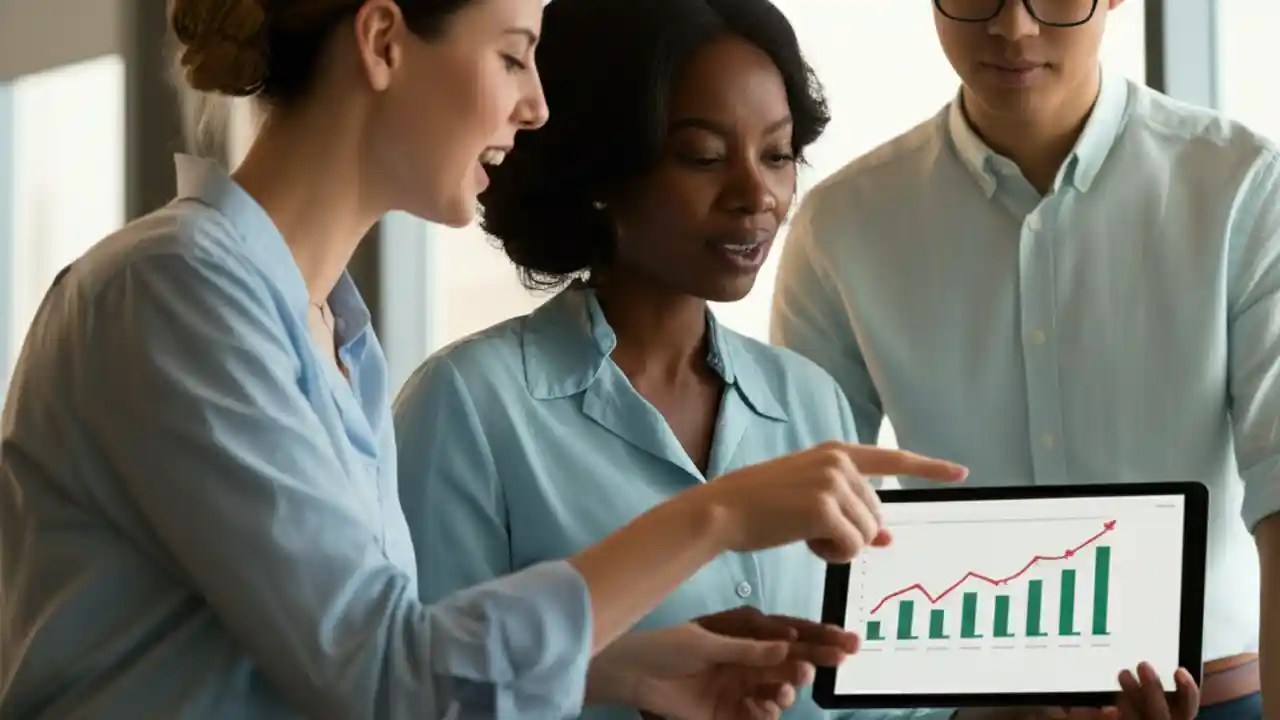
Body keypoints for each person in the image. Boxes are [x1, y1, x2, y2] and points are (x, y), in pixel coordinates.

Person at [0, 1, 971, 718]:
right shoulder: (174, 293)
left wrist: (618, 672)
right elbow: (386, 683)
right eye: (512, 55)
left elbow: (355, 668)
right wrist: (713, 516)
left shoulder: (332, 336)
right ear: (384, 42)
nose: (537, 106)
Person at [391, 0, 966, 718]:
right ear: (602, 171)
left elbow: (866, 700)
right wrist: (636, 688)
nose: (757, 195)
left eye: (777, 155)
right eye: (703, 157)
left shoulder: (807, 399)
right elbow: (421, 697)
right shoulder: (469, 407)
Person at [771, 0, 1277, 718]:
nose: (1014, 28)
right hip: (959, 707)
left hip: (1216, 696)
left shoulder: (1242, 185)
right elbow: (803, 519)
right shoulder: (842, 224)